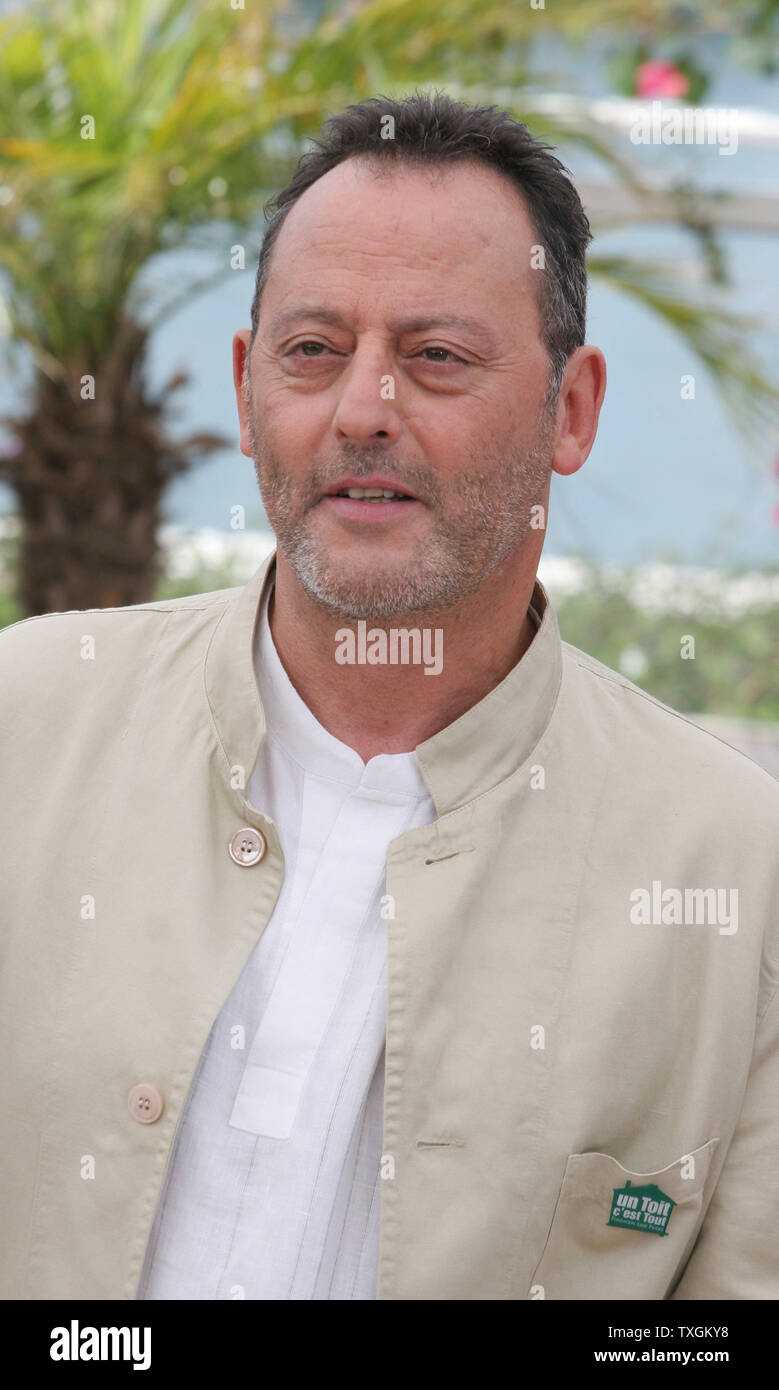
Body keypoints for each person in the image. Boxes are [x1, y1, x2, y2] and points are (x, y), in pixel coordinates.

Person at [1, 91, 776, 1302]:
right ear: (253, 387)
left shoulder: (738, 875)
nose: (363, 409)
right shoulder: (26, 724)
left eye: (436, 357)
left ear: (568, 411)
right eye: (314, 351)